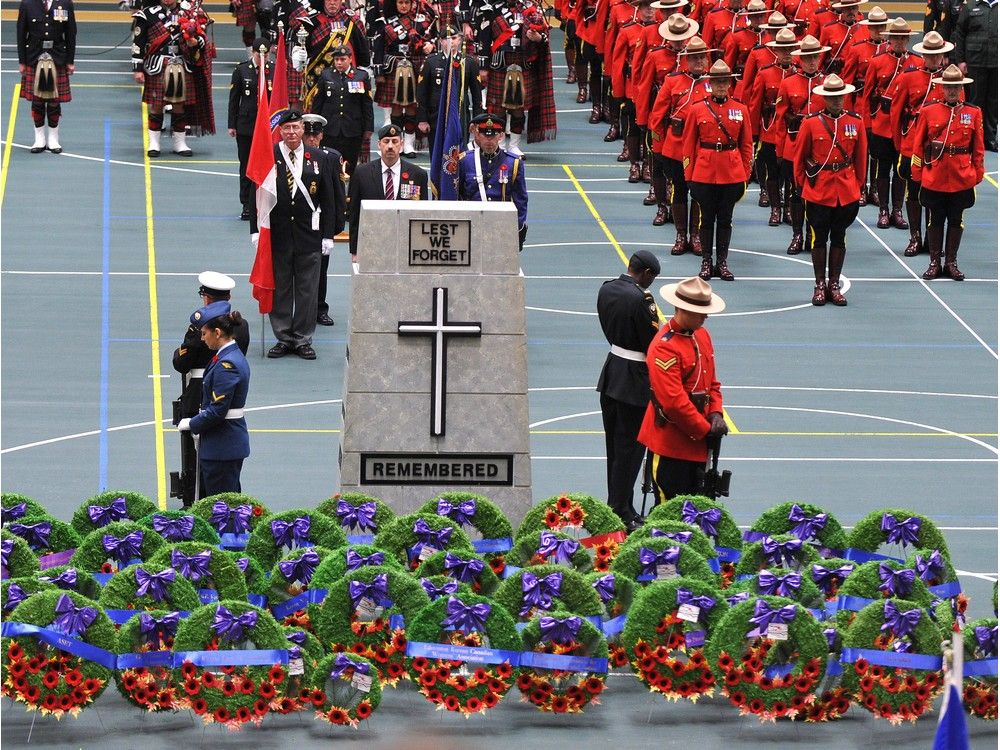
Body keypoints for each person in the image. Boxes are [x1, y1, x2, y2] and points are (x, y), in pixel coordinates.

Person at [253, 109, 344, 360]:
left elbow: (329, 197)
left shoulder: (320, 158)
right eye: (287, 129)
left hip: (309, 235)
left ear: (303, 129)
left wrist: (328, 234)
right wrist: (255, 228)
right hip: (278, 235)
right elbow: (257, 192)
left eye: (296, 128)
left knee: (307, 290)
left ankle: (303, 338)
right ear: (279, 131)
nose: (291, 133)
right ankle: (283, 337)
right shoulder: (270, 155)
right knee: (281, 287)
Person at [637, 276, 727, 503]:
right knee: (669, 512)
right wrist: (705, 429)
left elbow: (712, 382)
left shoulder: (703, 335)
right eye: (700, 311)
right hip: (672, 445)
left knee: (697, 510)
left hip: (699, 443)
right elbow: (674, 402)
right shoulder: (664, 347)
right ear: (682, 309)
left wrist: (716, 412)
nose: (706, 316)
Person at [172, 272, 251, 505]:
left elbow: (181, 362)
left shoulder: (209, 336)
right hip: (213, 400)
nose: (204, 337)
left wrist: (194, 422)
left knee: (210, 490)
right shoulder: (241, 327)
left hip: (203, 400)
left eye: (206, 334)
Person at [597, 251, 661, 530]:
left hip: (612, 372)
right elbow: (653, 342)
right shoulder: (641, 299)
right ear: (646, 273)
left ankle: (621, 503)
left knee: (614, 448)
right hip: (634, 380)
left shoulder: (607, 288)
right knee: (630, 451)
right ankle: (621, 510)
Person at [793, 73, 867, 306]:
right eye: (832, 97)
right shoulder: (811, 123)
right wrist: (804, 186)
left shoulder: (855, 122)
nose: (837, 101)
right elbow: (800, 158)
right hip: (819, 190)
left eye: (840, 96)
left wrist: (857, 186)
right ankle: (819, 284)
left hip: (845, 190)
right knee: (818, 238)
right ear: (824, 98)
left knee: (839, 237)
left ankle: (834, 284)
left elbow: (861, 158)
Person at [911, 64, 985, 280]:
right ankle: (934, 262)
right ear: (942, 88)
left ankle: (951, 262)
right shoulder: (928, 111)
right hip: (935, 175)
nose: (952, 90)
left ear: (961, 88)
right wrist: (918, 173)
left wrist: (977, 174)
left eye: (956, 87)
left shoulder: (973, 113)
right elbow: (918, 145)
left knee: (956, 219)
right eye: (948, 87)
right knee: (935, 219)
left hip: (961, 177)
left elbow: (978, 148)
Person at [682, 59, 753, 282]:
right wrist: (689, 175)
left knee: (725, 219)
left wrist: (744, 173)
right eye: (717, 82)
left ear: (730, 84)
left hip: (731, 173)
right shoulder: (697, 109)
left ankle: (721, 262)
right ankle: (706, 261)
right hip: (704, 172)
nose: (721, 86)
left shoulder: (740, 110)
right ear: (710, 84)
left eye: (725, 82)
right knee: (706, 219)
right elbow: (688, 144)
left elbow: (746, 144)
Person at [889, 30, 954, 257]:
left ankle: (931, 240)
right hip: (912, 144)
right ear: (923, 55)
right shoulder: (908, 78)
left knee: (933, 196)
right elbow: (896, 114)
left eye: (939, 55)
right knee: (914, 192)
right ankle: (915, 237)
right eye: (931, 54)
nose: (935, 59)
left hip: (937, 149)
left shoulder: (952, 80)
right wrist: (900, 145)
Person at [649, 34, 712, 254]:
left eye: (702, 58)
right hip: (676, 146)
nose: (699, 62)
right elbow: (657, 116)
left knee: (698, 193)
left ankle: (695, 235)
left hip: (702, 150)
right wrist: (658, 148)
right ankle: (680, 235)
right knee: (679, 190)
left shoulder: (713, 83)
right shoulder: (672, 81)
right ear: (686, 60)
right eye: (694, 58)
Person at [131, 0, 215, 157]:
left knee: (179, 105)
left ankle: (179, 143)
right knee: (156, 105)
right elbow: (138, 43)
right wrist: (138, 69)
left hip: (181, 64)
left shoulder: (190, 13)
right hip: (158, 64)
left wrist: (194, 42)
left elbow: (202, 39)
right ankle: (154, 143)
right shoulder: (147, 14)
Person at [473, 0, 557, 155]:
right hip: (499, 63)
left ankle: (514, 146)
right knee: (498, 109)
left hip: (522, 63)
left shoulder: (531, 10)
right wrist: (483, 67)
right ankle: (501, 145)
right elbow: (484, 39)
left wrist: (537, 38)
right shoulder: (492, 9)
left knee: (518, 107)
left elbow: (544, 37)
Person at [862, 17, 918, 229]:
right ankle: (883, 210)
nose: (900, 42)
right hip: (882, 125)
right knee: (883, 169)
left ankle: (897, 210)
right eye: (896, 38)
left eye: (903, 38)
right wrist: (867, 125)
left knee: (901, 171)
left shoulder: (917, 63)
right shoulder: (877, 62)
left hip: (905, 127)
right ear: (890, 39)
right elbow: (867, 96)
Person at [347, 122, 429, 260]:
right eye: (386, 141)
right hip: (372, 244)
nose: (390, 146)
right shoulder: (361, 173)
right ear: (379, 144)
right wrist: (355, 250)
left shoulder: (417, 175)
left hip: (406, 244)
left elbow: (422, 215)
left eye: (395, 141)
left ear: (401, 144)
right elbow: (354, 215)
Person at [776, 34, 827, 254]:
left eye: (815, 56)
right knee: (795, 193)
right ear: (800, 59)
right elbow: (780, 119)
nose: (812, 61)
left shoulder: (827, 84)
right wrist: (779, 149)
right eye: (808, 57)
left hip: (818, 150)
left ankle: (812, 237)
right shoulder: (788, 83)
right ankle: (797, 235)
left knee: (815, 196)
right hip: (794, 146)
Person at [372, 0, 438, 158]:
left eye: (406, 3)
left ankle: (409, 143)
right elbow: (379, 47)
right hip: (395, 67)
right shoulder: (386, 21)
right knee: (395, 106)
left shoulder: (421, 22)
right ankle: (397, 142)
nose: (403, 6)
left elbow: (433, 38)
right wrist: (378, 71)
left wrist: (430, 45)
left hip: (415, 66)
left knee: (411, 107)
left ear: (412, 4)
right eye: (400, 2)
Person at [748, 27, 798, 226]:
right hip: (769, 129)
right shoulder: (765, 73)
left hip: (791, 133)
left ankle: (787, 208)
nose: (786, 53)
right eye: (783, 49)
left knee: (789, 173)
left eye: (790, 49)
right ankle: (776, 208)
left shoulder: (800, 74)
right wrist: (753, 133)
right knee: (772, 171)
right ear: (776, 51)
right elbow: (755, 104)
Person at [301, 113, 347, 325]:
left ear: (322, 135)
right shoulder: (293, 157)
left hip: (320, 224)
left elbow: (337, 195)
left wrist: (333, 230)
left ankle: (320, 308)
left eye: (315, 134)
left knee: (321, 268)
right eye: (308, 134)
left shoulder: (331, 157)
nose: (311, 138)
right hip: (299, 223)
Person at [457, 113, 529, 247]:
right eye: (485, 135)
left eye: (493, 135)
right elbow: (458, 196)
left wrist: (515, 229)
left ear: (501, 136)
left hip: (501, 227)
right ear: (477, 135)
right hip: (471, 226)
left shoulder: (513, 163)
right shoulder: (465, 161)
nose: (489, 140)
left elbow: (521, 200)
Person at [17, 0, 76, 154]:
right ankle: (39, 138)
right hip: (34, 57)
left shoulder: (66, 3)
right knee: (37, 102)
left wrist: (70, 60)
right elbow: (21, 33)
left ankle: (53, 139)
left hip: (57, 56)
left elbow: (71, 33)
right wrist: (22, 61)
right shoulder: (27, 4)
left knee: (54, 102)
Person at [415, 26, 484, 151]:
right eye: (446, 38)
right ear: (441, 41)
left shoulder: (469, 62)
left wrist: (477, 121)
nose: (450, 41)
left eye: (454, 38)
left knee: (460, 155)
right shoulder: (431, 62)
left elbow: (477, 95)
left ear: (459, 40)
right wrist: (422, 120)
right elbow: (421, 93)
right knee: (437, 154)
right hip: (436, 116)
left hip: (460, 115)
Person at [310, 44, 374, 173]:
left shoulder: (361, 76)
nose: (339, 62)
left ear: (350, 59)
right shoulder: (326, 75)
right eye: (337, 59)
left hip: (352, 130)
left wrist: (368, 128)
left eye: (343, 59)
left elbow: (366, 104)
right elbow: (318, 102)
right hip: (330, 129)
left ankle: (350, 193)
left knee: (351, 168)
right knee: (328, 166)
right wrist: (314, 126)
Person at [229, 39, 274, 221]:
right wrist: (232, 124)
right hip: (247, 126)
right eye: (259, 54)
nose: (262, 57)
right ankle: (247, 204)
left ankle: (267, 202)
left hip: (269, 127)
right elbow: (234, 100)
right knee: (247, 165)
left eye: (266, 54)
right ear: (252, 53)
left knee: (269, 165)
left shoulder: (274, 71)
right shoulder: (241, 70)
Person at [952, 0, 997, 152]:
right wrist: (960, 60)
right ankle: (971, 137)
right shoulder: (970, 6)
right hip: (974, 62)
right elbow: (960, 33)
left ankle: (990, 139)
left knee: (993, 102)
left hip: (996, 62)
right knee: (975, 102)